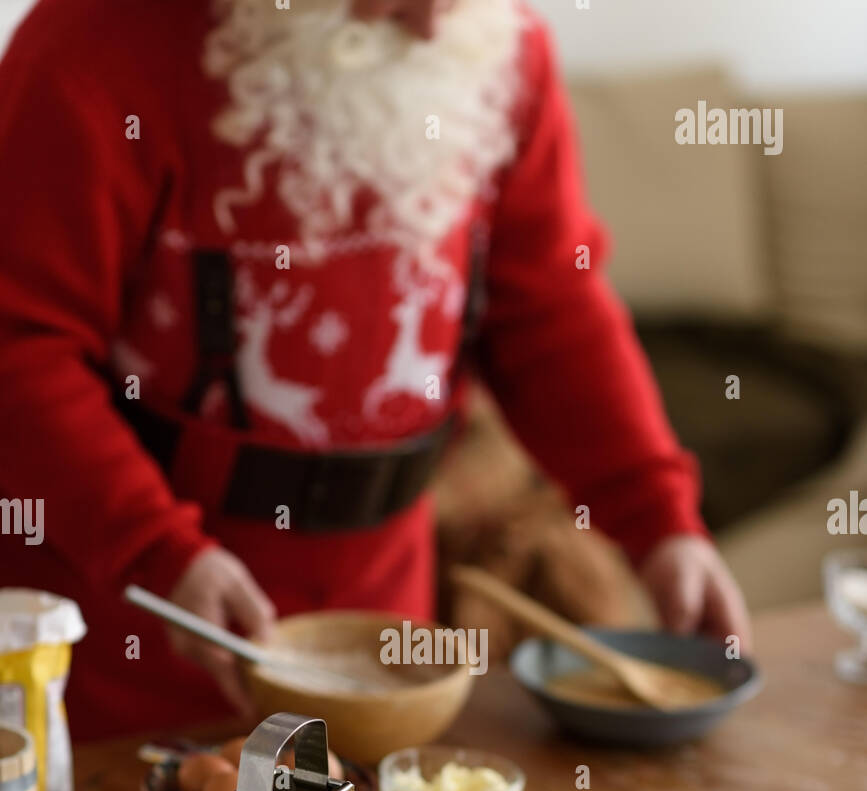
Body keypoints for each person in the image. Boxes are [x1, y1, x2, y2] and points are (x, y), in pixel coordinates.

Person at [0, 0, 750, 739]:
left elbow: (549, 312)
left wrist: (659, 522)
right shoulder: (88, 46)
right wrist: (155, 552)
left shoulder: (492, 37)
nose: (430, 24)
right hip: (135, 637)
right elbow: (19, 347)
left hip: (380, 633)